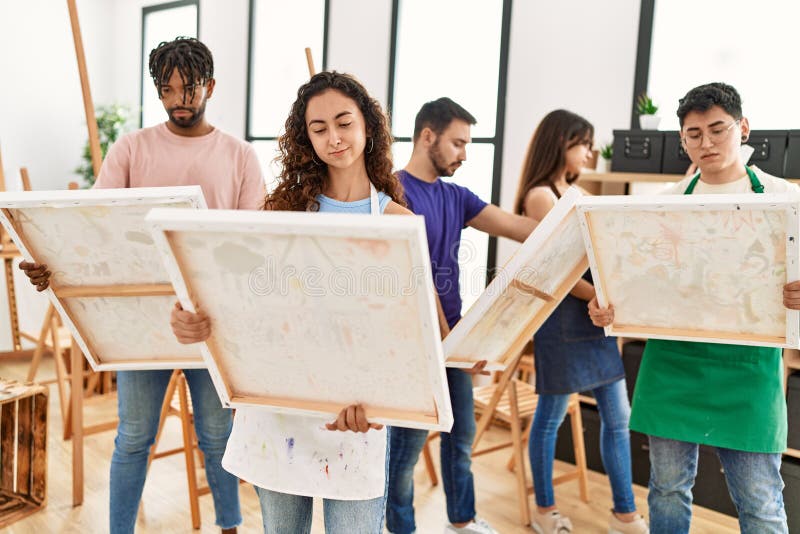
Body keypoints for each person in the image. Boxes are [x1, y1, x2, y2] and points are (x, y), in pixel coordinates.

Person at [170, 71, 445, 534]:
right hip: (281, 413)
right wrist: (195, 319)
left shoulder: (397, 222)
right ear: (306, 139)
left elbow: (406, 335)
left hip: (356, 419)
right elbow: (246, 306)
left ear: (368, 126)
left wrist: (378, 401)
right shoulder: (282, 214)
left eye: (344, 123)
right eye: (319, 129)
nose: (333, 138)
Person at [19, 37, 265, 534]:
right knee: (133, 438)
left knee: (218, 437)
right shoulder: (131, 148)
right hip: (138, 323)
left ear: (210, 86)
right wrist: (51, 264)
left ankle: (230, 527)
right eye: (166, 90)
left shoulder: (239, 156)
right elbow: (92, 228)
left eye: (188, 89)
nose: (178, 100)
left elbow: (252, 244)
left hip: (209, 324)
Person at [590, 82, 800, 534]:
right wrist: (608, 304)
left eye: (718, 130)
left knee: (760, 500)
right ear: (683, 140)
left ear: (743, 128)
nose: (707, 143)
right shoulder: (665, 203)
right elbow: (635, 278)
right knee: (667, 489)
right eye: (694, 134)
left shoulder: (784, 199)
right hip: (673, 365)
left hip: (748, 371)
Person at [386, 97, 538, 534]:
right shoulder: (392, 192)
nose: (465, 154)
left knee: (461, 434)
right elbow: (413, 276)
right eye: (458, 143)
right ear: (427, 136)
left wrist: (575, 221)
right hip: (414, 342)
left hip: (451, 339)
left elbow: (516, 227)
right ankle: (399, 527)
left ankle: (462, 518)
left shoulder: (456, 197)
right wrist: (445, 338)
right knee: (407, 448)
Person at [514, 109, 648, 534]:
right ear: (561, 142)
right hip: (562, 318)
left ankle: (624, 513)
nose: (590, 152)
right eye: (584, 143)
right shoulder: (540, 195)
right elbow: (557, 269)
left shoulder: (575, 191)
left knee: (618, 417)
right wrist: (598, 297)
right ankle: (545, 510)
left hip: (594, 318)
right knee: (550, 418)